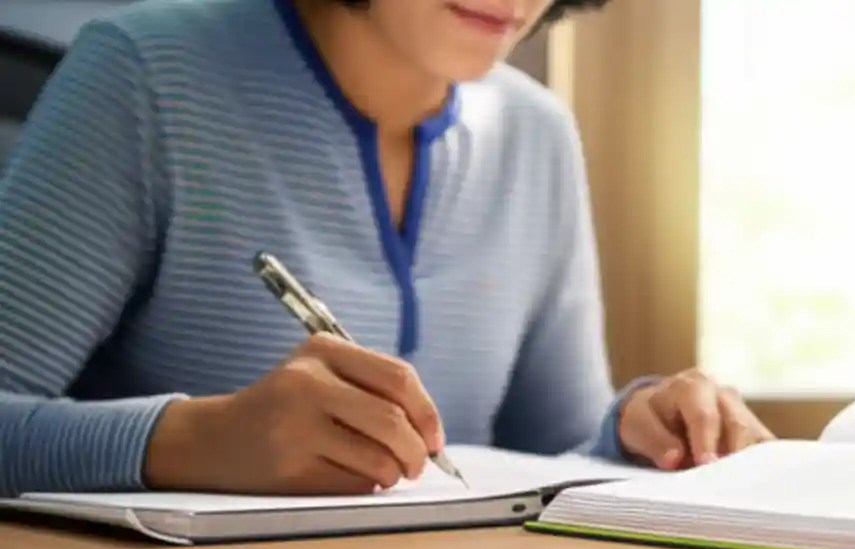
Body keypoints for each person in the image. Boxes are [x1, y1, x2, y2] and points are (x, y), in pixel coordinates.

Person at [0, 0, 777, 498]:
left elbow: (546, 454)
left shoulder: (535, 133)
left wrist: (639, 433)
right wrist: (195, 440)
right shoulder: (144, 76)